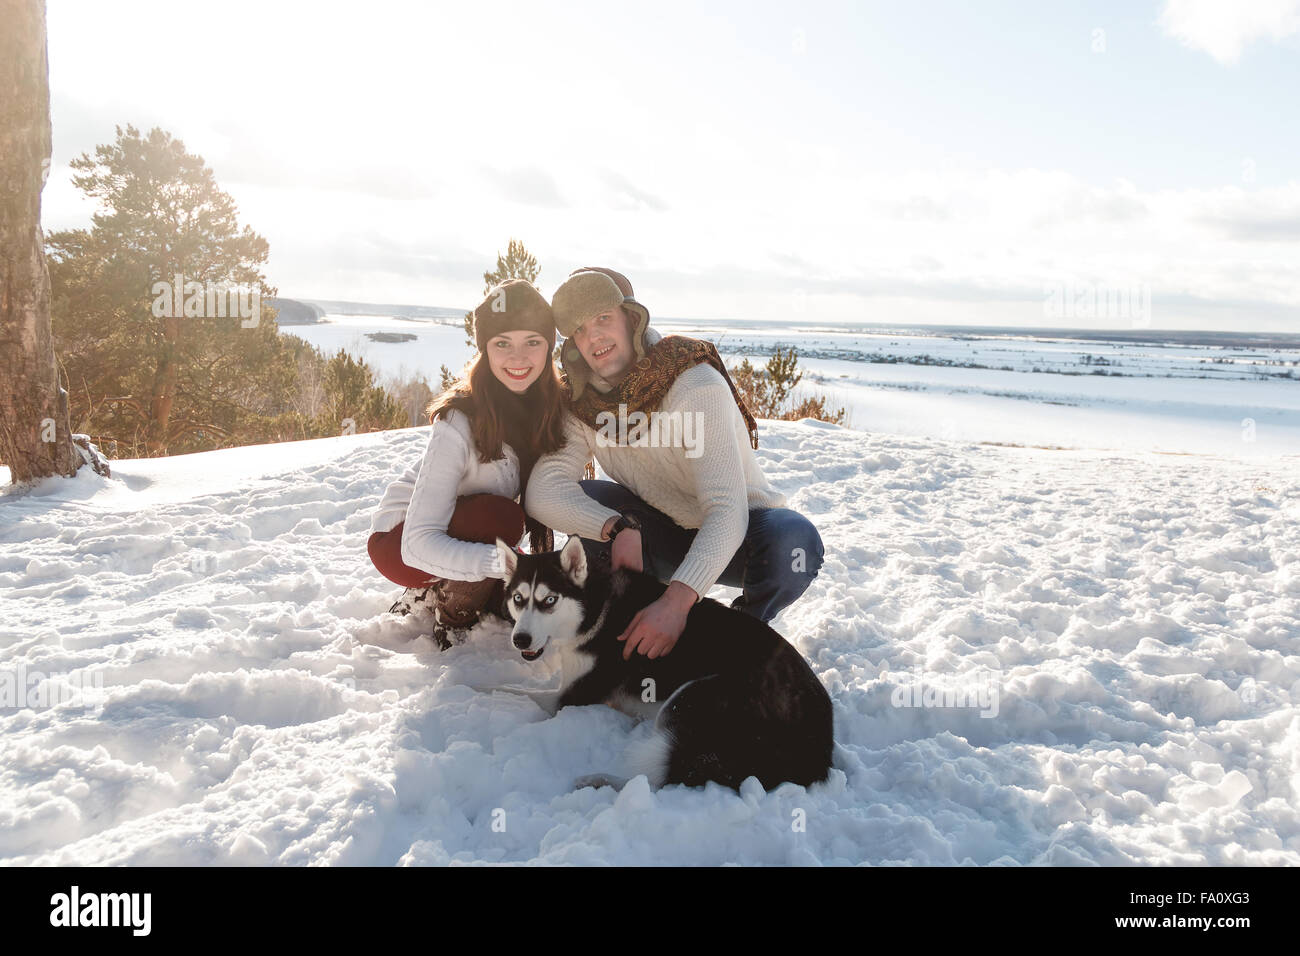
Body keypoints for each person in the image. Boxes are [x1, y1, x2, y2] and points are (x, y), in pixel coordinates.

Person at [525, 267, 825, 661]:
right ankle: (628, 626)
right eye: (579, 329)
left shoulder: (692, 383)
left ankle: (737, 636)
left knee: (794, 543)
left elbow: (725, 510)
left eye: (603, 319)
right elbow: (543, 492)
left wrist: (677, 603)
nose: (593, 337)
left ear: (631, 320)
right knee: (590, 498)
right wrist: (617, 528)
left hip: (741, 533)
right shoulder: (581, 400)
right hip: (657, 535)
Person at [367, 278, 566, 648]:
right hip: (400, 542)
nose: (518, 357)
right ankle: (451, 616)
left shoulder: (551, 411)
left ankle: (460, 587)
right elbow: (418, 544)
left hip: (465, 527)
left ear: (549, 347)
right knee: (502, 518)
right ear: (485, 349)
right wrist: (506, 564)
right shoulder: (459, 421)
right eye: (502, 343)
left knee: (512, 556)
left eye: (532, 342)